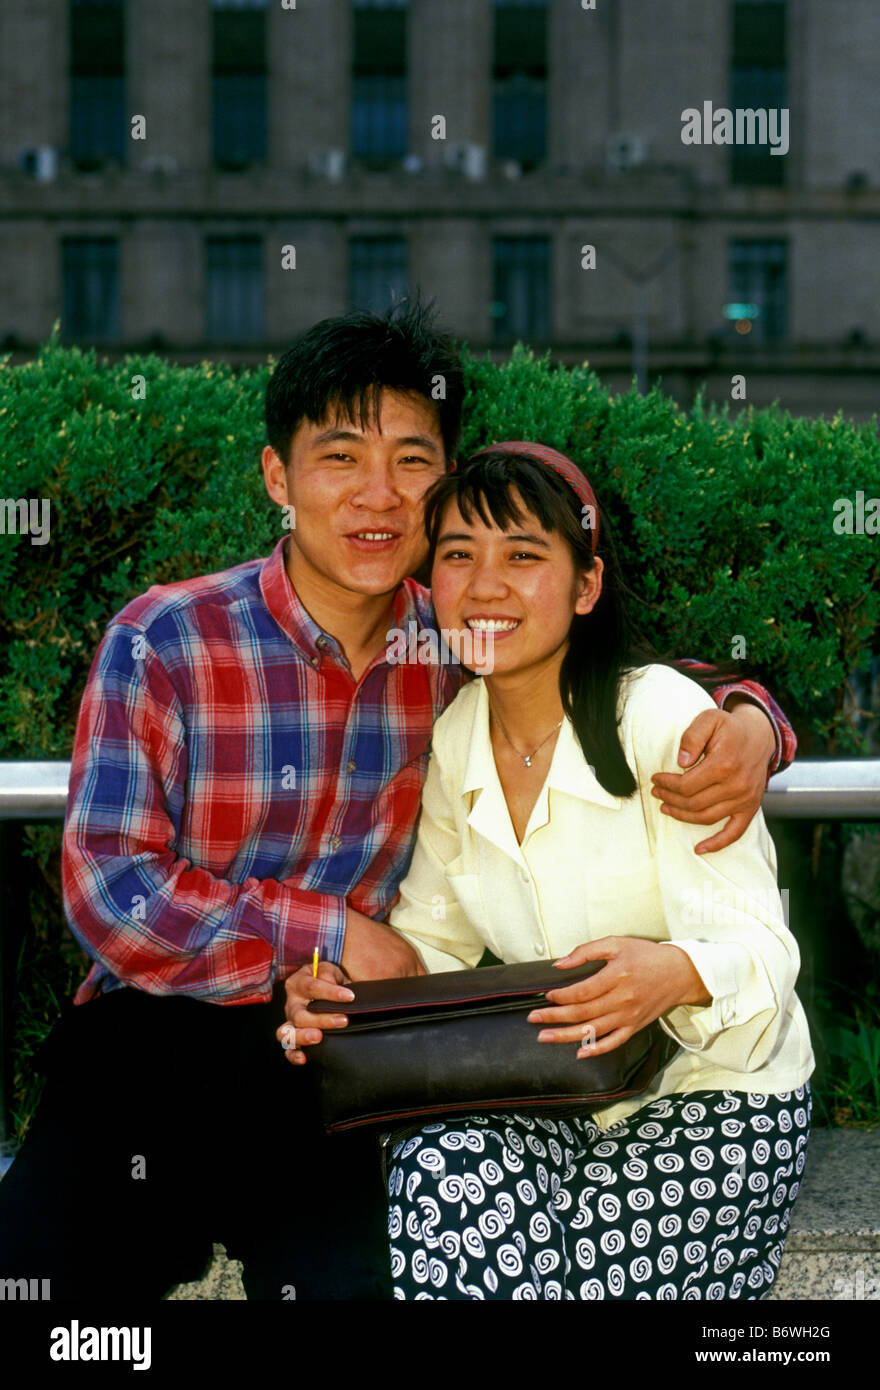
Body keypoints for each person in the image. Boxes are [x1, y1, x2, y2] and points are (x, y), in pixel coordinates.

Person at [0, 303, 795, 1302]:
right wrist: (322, 929)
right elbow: (110, 890)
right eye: (340, 457)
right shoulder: (166, 640)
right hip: (151, 1051)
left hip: (337, 1068)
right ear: (278, 478)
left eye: (413, 462)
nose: (378, 496)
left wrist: (754, 717)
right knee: (35, 1288)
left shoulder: (462, 639)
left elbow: (607, 674)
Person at [286, 442, 814, 1302]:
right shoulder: (456, 735)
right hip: (552, 1084)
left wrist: (672, 973)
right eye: (459, 554)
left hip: (716, 1092)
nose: (485, 585)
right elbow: (435, 943)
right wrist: (342, 991)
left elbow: (763, 954)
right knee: (442, 1165)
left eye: (524, 555)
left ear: (586, 586)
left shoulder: (663, 720)